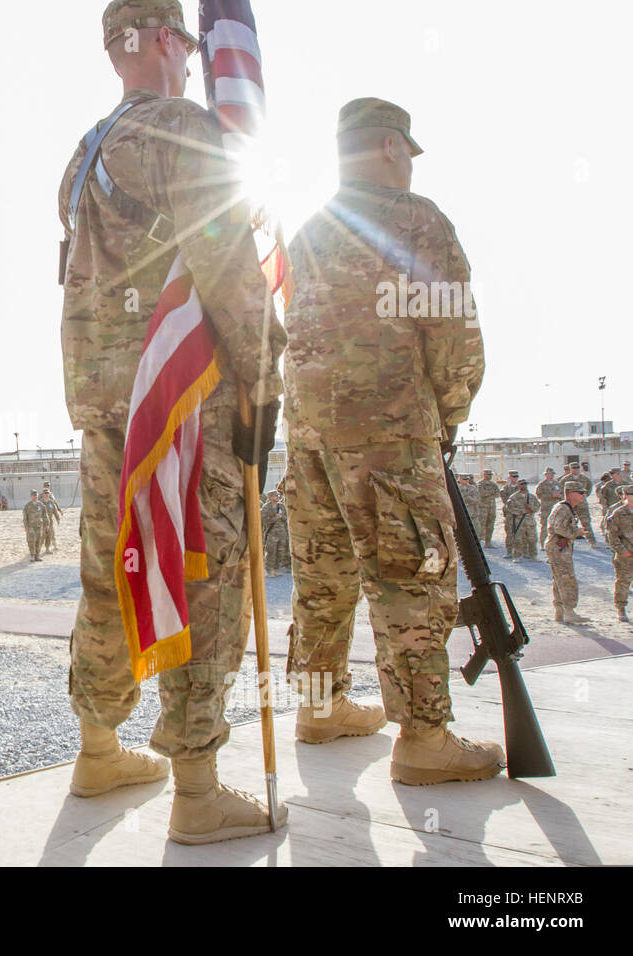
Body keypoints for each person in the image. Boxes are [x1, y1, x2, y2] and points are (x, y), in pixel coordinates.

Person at [59, 0, 288, 843]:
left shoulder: (84, 155)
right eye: (186, 43)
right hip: (181, 401)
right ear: (162, 39)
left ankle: (97, 744)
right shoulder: (180, 130)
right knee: (198, 573)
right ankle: (197, 788)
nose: (193, 59)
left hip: (103, 403)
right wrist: (266, 385)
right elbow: (229, 267)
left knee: (108, 574)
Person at [282, 97, 505, 784]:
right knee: (411, 574)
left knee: (324, 576)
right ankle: (423, 739)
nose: (409, 163)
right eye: (407, 150)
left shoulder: (310, 230)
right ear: (387, 145)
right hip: (389, 432)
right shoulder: (417, 220)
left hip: (310, 434)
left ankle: (321, 708)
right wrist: (448, 417)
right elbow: (455, 337)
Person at [547, 482, 591, 624]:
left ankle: (561, 613)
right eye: (580, 492)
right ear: (571, 493)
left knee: (560, 579)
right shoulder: (563, 509)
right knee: (567, 579)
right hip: (558, 549)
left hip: (560, 548)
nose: (583, 495)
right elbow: (558, 528)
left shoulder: (567, 508)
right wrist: (576, 532)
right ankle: (569, 612)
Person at [608, 486, 633, 623]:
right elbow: (612, 536)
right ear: (626, 496)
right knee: (623, 582)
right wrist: (622, 550)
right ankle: (621, 608)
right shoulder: (618, 513)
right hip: (625, 555)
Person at [564, 462, 599, 547]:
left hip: (582, 504)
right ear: (570, 469)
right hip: (570, 505)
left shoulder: (584, 478)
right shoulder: (565, 479)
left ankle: (592, 541)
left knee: (586, 522)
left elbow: (589, 487)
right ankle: (568, 543)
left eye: (577, 468)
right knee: (568, 524)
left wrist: (584, 496)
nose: (576, 469)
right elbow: (561, 489)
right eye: (573, 468)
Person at [505, 480, 539, 560]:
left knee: (532, 539)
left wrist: (531, 509)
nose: (523, 486)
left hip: (530, 521)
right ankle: (517, 556)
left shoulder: (531, 496)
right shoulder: (514, 497)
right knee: (518, 539)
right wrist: (523, 511)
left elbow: (537, 506)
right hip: (519, 521)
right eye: (521, 484)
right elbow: (510, 508)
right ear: (518, 485)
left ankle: (533, 556)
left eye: (525, 484)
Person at [262, 491, 291, 576]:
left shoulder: (281, 506)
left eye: (278, 495)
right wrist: (275, 518)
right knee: (271, 552)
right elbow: (264, 520)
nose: (278, 497)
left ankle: (275, 570)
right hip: (272, 533)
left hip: (282, 533)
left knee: (280, 552)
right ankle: (269, 570)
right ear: (270, 497)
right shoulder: (266, 507)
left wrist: (282, 517)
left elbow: (286, 517)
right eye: (276, 495)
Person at [537, 467, 563, 541]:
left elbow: (563, 494)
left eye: (552, 474)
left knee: (557, 526)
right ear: (546, 475)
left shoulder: (557, 483)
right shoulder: (542, 484)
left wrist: (560, 496)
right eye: (549, 474)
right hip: (546, 509)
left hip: (556, 509)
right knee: (544, 526)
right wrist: (551, 495)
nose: (551, 475)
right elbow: (539, 495)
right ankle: (543, 543)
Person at [476, 471, 499, 547]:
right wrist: (491, 492)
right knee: (481, 525)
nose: (490, 476)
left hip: (492, 508)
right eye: (488, 474)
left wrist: (488, 493)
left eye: (490, 475)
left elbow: (497, 494)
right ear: (484, 475)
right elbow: (481, 493)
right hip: (483, 508)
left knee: (490, 525)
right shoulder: (480, 484)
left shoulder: (493, 484)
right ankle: (478, 542)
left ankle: (488, 542)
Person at [23, 490, 46, 562]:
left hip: (39, 526)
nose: (35, 496)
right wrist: (26, 526)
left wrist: (47, 524)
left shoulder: (41, 505)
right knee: (31, 541)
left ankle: (37, 555)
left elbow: (45, 516)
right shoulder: (27, 506)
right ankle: (32, 555)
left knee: (39, 541)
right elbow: (25, 517)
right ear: (31, 496)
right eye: (33, 495)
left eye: (36, 495)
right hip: (31, 527)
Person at [40, 489, 61, 554]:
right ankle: (38, 548)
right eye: (45, 493)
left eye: (47, 493)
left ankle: (47, 548)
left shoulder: (51, 502)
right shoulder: (40, 503)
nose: (46, 495)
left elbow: (55, 511)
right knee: (42, 536)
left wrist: (57, 518)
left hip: (50, 522)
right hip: (42, 522)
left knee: (49, 535)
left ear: (49, 494)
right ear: (43, 494)